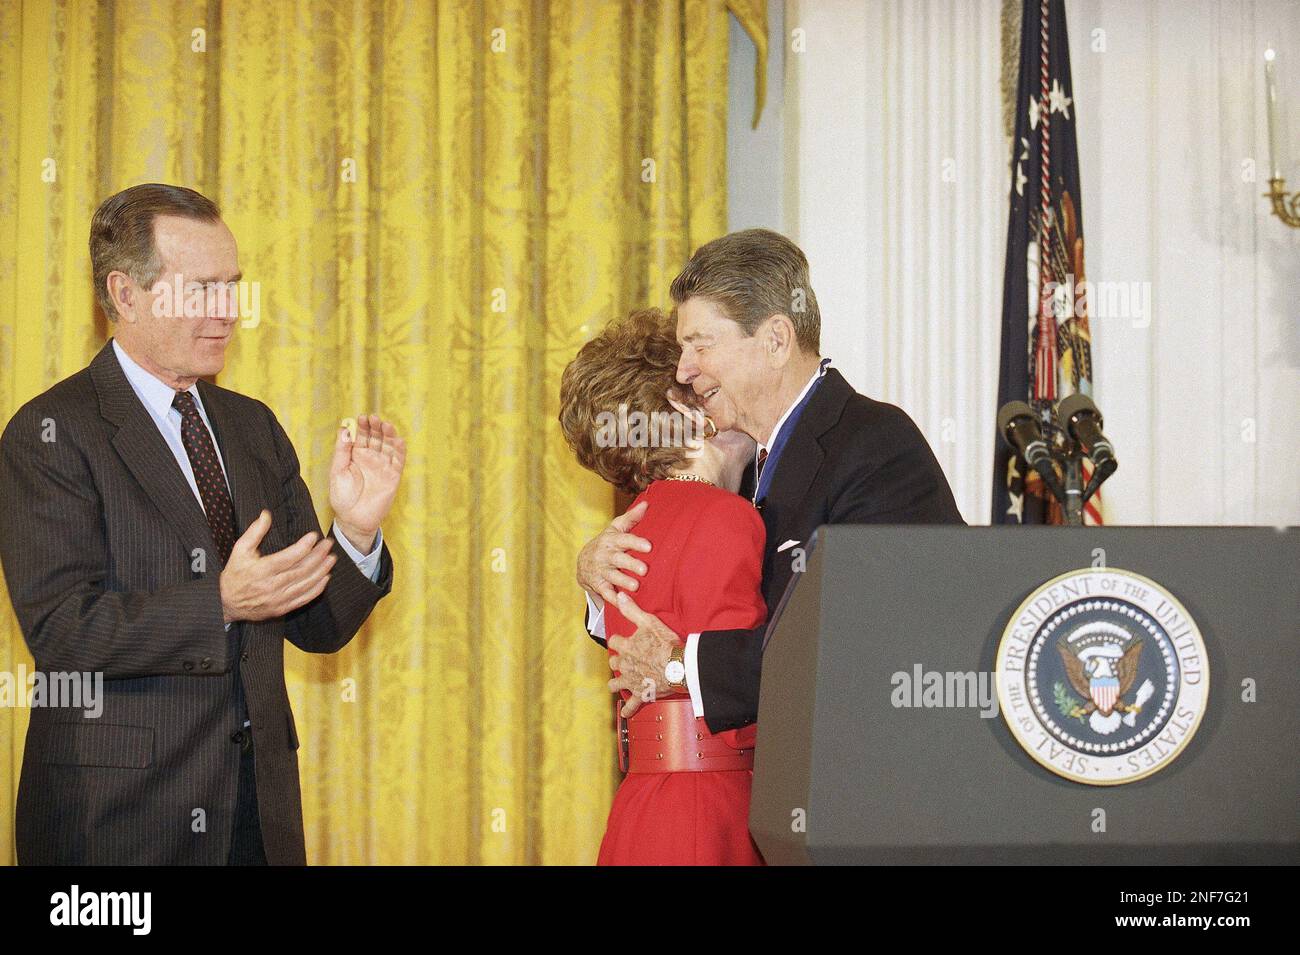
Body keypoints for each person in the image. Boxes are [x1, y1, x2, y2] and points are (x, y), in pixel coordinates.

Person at [0, 183, 405, 864]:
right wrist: (217, 601)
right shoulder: (52, 432)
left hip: (257, 815)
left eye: (233, 287)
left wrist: (357, 533)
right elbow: (62, 630)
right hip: (118, 824)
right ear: (125, 295)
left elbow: (317, 625)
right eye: (202, 290)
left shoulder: (253, 426)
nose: (227, 312)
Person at [581, 229, 964, 735]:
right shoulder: (737, 465)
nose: (684, 369)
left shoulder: (874, 444)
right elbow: (696, 609)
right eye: (681, 348)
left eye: (700, 346)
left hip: (865, 791)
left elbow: (870, 643)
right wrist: (599, 579)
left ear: (776, 341)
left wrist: (682, 666)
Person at [560, 308, 767, 865]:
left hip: (643, 811)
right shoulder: (727, 518)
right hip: (711, 813)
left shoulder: (635, 524)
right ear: (686, 411)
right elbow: (759, 683)